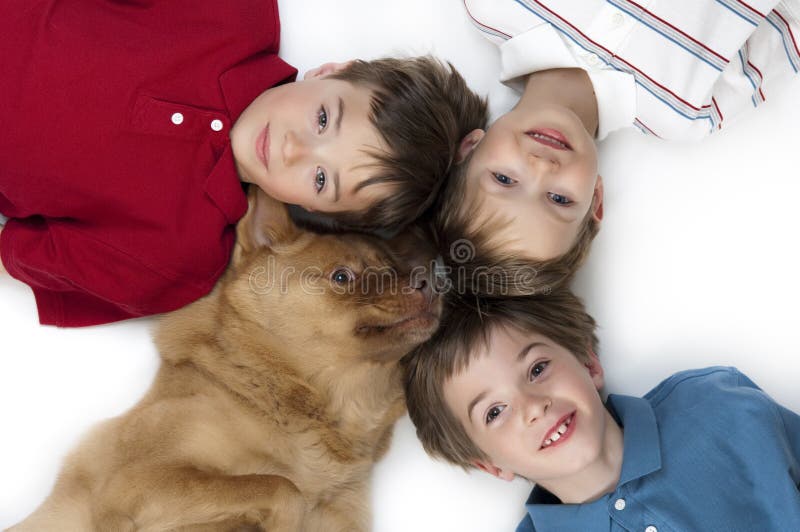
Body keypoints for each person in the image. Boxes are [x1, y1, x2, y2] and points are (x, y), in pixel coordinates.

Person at [0, 0, 487, 327]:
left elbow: (21, 250)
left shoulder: (178, 261)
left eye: (320, 179)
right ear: (334, 71)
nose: (294, 149)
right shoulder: (234, 13)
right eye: (323, 118)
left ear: (317, 214)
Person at [433, 0, 800, 297]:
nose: (541, 167)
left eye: (504, 178)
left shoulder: (494, 9)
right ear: (595, 199)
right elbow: (789, 28)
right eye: (559, 200)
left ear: (470, 146)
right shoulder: (685, 113)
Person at [404, 293, 800, 531]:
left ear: (588, 363)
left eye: (537, 369)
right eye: (494, 412)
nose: (532, 406)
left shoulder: (716, 406)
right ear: (491, 466)